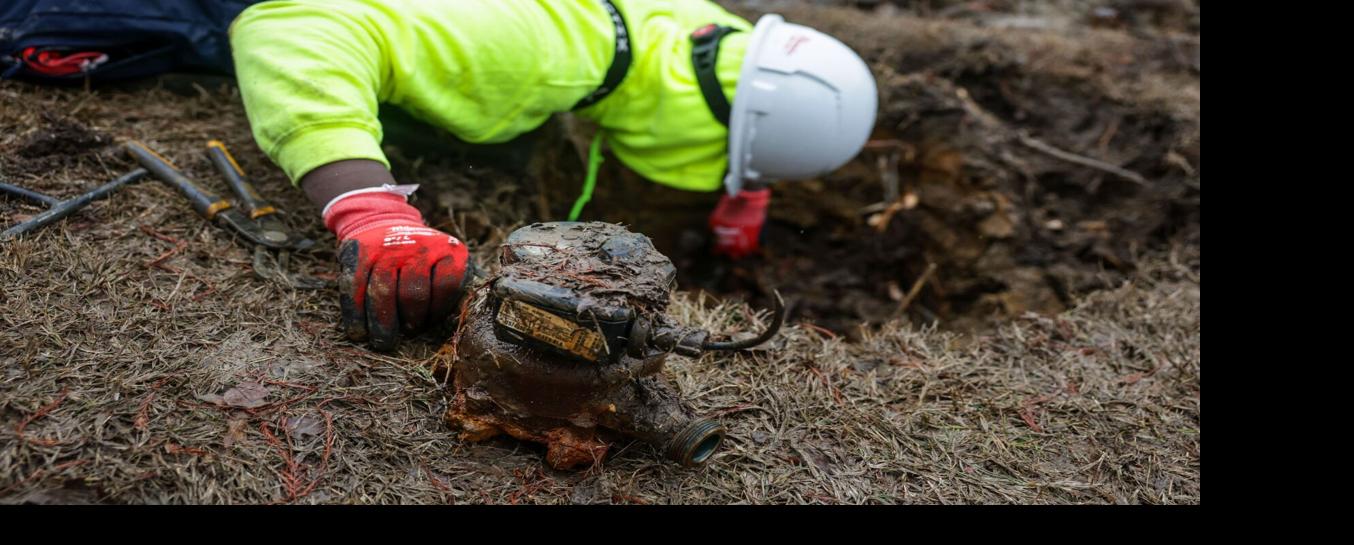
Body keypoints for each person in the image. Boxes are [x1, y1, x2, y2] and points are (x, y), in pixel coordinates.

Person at [227, 0, 878, 349]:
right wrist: (370, 209)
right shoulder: (542, 56)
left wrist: (747, 185)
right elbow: (289, 25)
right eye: (725, 160)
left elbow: (747, 85)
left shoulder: (692, 31)